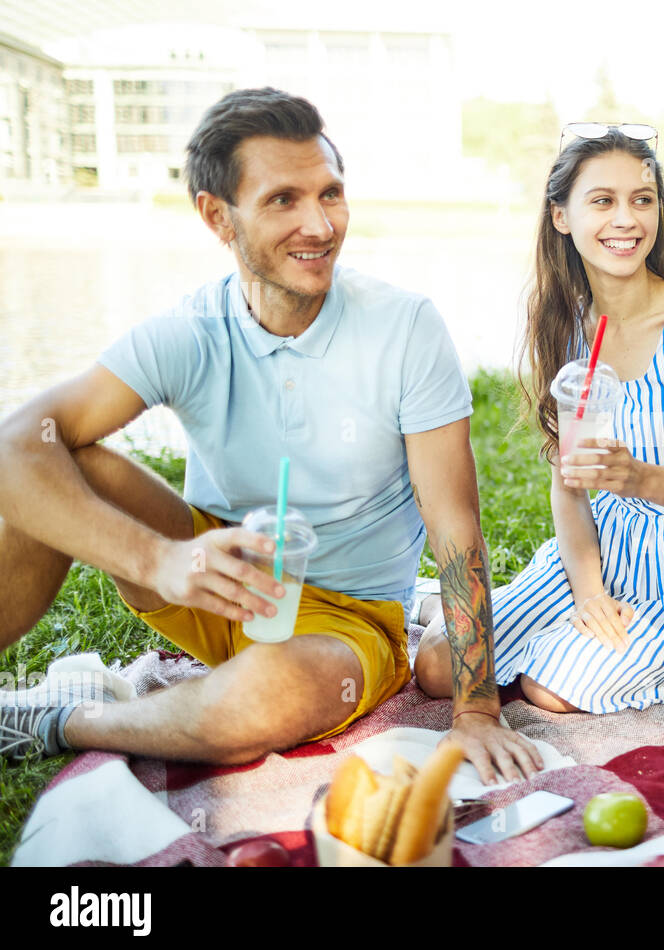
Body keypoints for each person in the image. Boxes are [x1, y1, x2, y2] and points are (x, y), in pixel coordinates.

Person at [0, 88, 542, 785]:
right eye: (283, 199)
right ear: (215, 216)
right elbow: (19, 442)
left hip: (347, 623)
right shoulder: (189, 331)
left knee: (256, 702)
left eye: (330, 193)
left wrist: (474, 710)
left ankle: (55, 717)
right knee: (60, 457)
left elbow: (456, 527)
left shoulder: (406, 328)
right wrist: (165, 560)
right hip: (211, 577)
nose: (319, 224)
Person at [413, 125, 664, 713]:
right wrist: (587, 590)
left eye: (643, 199)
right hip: (597, 551)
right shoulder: (570, 327)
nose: (627, 219)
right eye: (602, 201)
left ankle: (650, 646)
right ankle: (523, 616)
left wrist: (642, 480)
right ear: (561, 216)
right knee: (438, 665)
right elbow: (570, 483)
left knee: (552, 687)